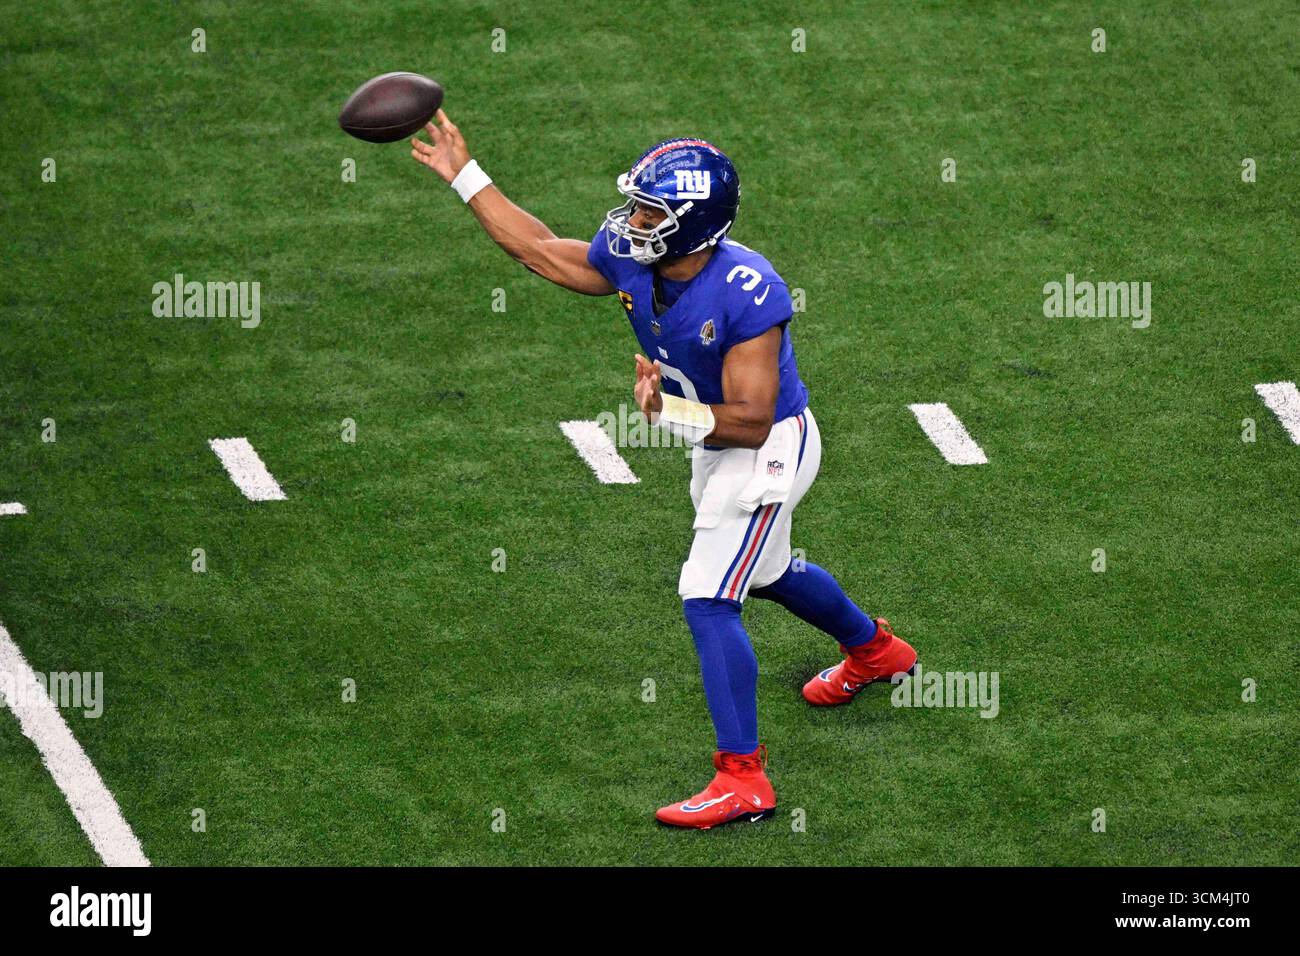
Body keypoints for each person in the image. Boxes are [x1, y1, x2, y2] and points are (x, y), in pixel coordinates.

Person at [410, 112, 918, 829]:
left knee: (707, 595)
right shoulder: (633, 250)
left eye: (652, 209)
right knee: (768, 572)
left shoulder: (749, 290)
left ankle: (743, 780)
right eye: (638, 203)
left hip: (768, 445)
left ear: (694, 224)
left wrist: (668, 413)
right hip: (717, 440)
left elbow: (750, 415)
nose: (632, 219)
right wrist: (465, 175)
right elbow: (544, 252)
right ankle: (876, 651)